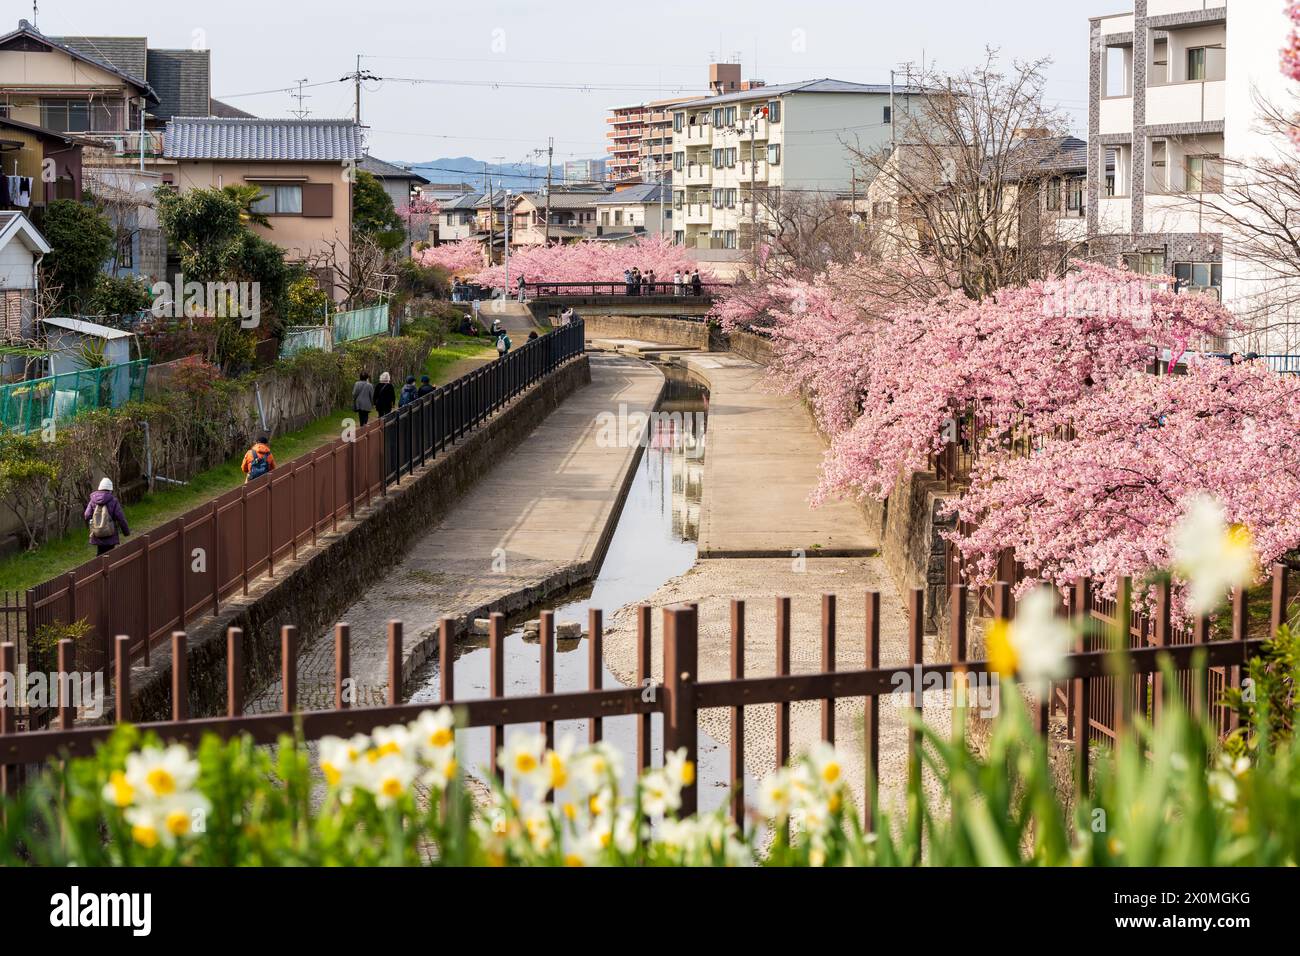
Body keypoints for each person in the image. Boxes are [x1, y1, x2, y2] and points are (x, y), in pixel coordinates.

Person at [85, 478, 130, 556]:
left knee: (100, 552)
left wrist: (94, 523)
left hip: (97, 532)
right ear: (110, 490)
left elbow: (87, 514)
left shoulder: (93, 500)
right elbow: (120, 518)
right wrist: (126, 532)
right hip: (110, 532)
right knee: (110, 555)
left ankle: (98, 567)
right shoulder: (113, 500)